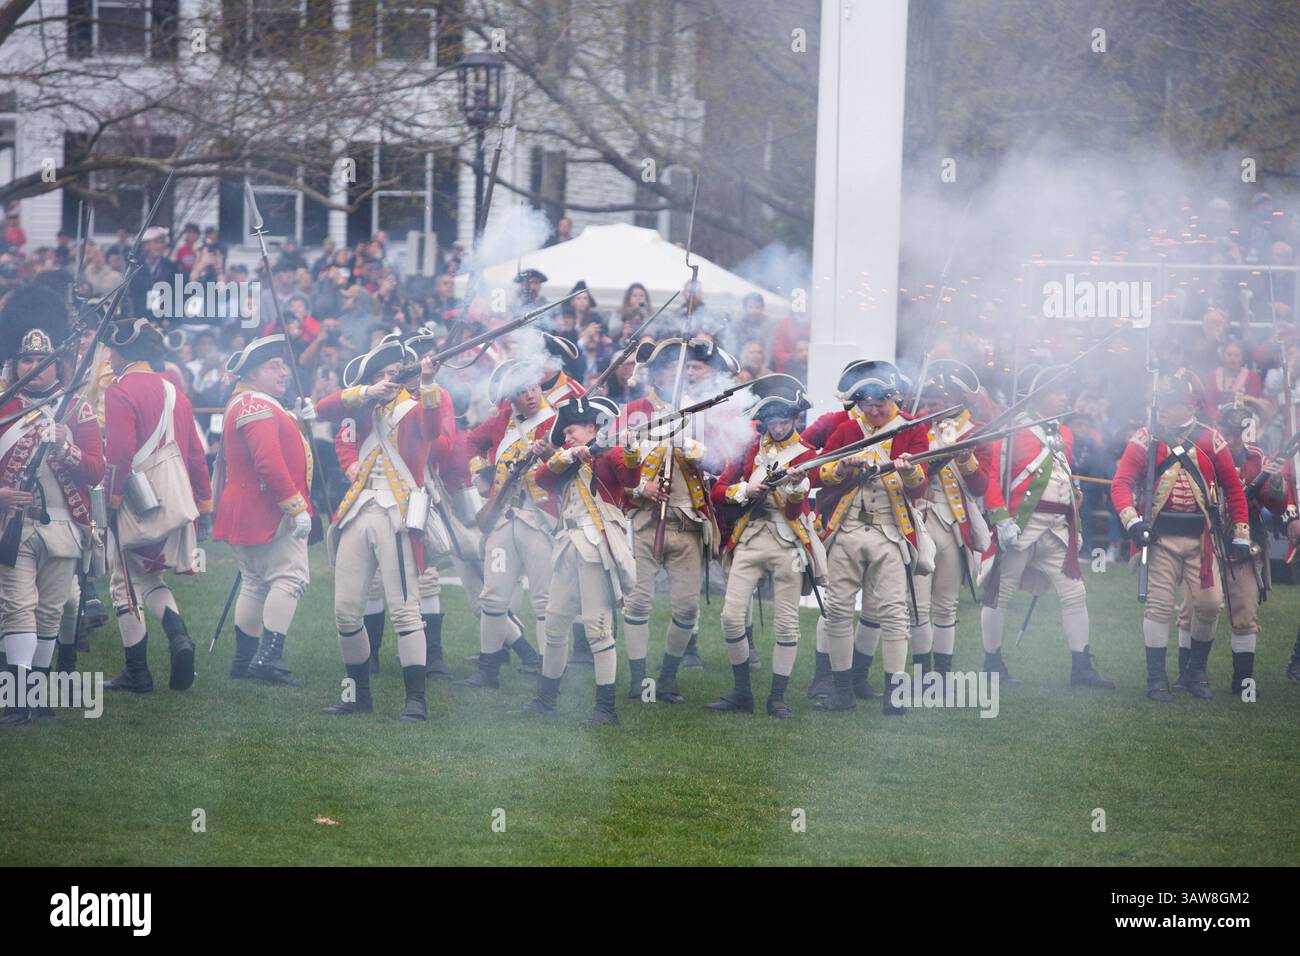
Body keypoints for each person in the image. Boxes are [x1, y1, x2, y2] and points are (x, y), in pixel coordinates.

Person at [314, 336, 443, 721]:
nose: (393, 379)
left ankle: (415, 700)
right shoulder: (361, 409)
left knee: (405, 611)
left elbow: (433, 428)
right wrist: (367, 392)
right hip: (358, 510)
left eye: (395, 374)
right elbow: (323, 409)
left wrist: (430, 382)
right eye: (385, 374)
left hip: (398, 514)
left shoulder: (413, 409)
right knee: (346, 613)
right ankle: (357, 695)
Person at [1110, 372, 1250, 701]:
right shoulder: (1146, 439)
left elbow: (1233, 490)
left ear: (1185, 405)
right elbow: (1121, 484)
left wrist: (1241, 533)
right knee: (1158, 607)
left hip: (1202, 539)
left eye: (1168, 404)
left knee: (1210, 605)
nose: (1161, 410)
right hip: (1158, 538)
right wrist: (1132, 522)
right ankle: (1156, 679)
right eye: (1159, 403)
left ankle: (1194, 673)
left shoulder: (1211, 440)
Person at [0, 299, 105, 724]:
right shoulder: (5, 407)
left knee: (49, 610)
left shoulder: (76, 409)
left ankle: (38, 694)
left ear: (59, 364)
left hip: (64, 524)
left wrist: (67, 444)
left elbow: (96, 470)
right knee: (16, 606)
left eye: (44, 360)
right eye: (28, 359)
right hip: (12, 524)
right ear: (15, 362)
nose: (36, 367)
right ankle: (17, 696)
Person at [981, 365, 1114, 691]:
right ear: (1039, 397)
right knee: (1000, 594)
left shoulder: (1064, 434)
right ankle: (992, 662)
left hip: (1057, 527)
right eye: (1056, 392)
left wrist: (1075, 523)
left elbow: (1064, 480)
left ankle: (1081, 666)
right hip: (1022, 525)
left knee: (1075, 594)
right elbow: (992, 478)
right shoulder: (1012, 429)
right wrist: (1001, 519)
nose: (1063, 397)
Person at [619, 338, 735, 703]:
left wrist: (697, 451)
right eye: (667, 366)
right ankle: (639, 680)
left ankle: (667, 678)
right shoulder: (636, 410)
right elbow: (612, 463)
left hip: (687, 523)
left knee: (687, 608)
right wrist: (640, 486)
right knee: (638, 604)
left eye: (679, 366)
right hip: (644, 521)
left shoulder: (700, 412)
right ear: (655, 373)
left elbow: (722, 464)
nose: (675, 373)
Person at [812, 361, 930, 713]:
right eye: (868, 404)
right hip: (846, 529)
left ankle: (895, 693)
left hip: (889, 531)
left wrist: (909, 473)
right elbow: (819, 472)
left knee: (894, 611)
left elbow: (920, 487)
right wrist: (841, 468)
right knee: (837, 610)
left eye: (881, 403)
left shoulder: (911, 430)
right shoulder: (847, 429)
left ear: (893, 399)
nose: (875, 410)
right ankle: (842, 690)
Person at [101, 319, 212, 694]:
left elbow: (119, 451)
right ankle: (179, 636)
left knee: (124, 583)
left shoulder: (119, 390)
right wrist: (203, 500)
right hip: (174, 501)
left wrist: (112, 499)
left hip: (135, 500)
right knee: (151, 578)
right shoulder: (174, 391)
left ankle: (137, 672)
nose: (107, 356)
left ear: (123, 351)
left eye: (110, 350)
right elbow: (195, 453)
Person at [709, 374, 823, 717]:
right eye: (772, 419)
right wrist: (746, 491)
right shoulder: (749, 449)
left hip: (788, 542)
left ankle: (777, 697)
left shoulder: (808, 455)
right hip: (751, 536)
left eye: (783, 419)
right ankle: (742, 692)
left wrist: (796, 487)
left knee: (786, 623)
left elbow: (794, 509)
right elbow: (719, 490)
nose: (777, 426)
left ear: (795, 419)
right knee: (731, 617)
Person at [523, 395, 637, 725]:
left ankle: (605, 709)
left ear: (591, 427)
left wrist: (629, 450)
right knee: (555, 623)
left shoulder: (610, 453)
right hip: (568, 545)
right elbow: (543, 479)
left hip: (595, 548)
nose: (566, 438)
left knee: (597, 627)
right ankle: (546, 699)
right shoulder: (571, 458)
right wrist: (571, 452)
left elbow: (629, 479)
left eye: (571, 432)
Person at [458, 358, 567, 689]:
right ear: (510, 398)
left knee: (544, 601)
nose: (531, 395)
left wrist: (551, 455)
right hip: (504, 518)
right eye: (521, 391)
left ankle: (549, 676)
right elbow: (470, 443)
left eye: (533, 387)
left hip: (539, 520)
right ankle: (488, 670)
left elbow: (576, 468)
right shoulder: (503, 420)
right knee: (492, 597)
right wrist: (482, 472)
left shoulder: (559, 422)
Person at [213, 335, 315, 686]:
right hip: (267, 509)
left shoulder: (254, 403)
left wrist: (298, 422)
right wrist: (296, 506)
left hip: (248, 506)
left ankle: (244, 660)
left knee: (255, 582)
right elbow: (268, 462)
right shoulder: (256, 405)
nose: (284, 371)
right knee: (289, 578)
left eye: (283, 365)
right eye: (275, 366)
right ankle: (268, 658)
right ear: (253, 373)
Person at [909, 361, 990, 677]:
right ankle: (920, 674)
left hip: (954, 526)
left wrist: (965, 457)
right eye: (929, 401)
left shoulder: (976, 431)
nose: (931, 408)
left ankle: (940, 676)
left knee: (945, 606)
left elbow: (980, 486)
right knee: (917, 605)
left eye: (938, 402)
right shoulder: (914, 427)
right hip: (918, 519)